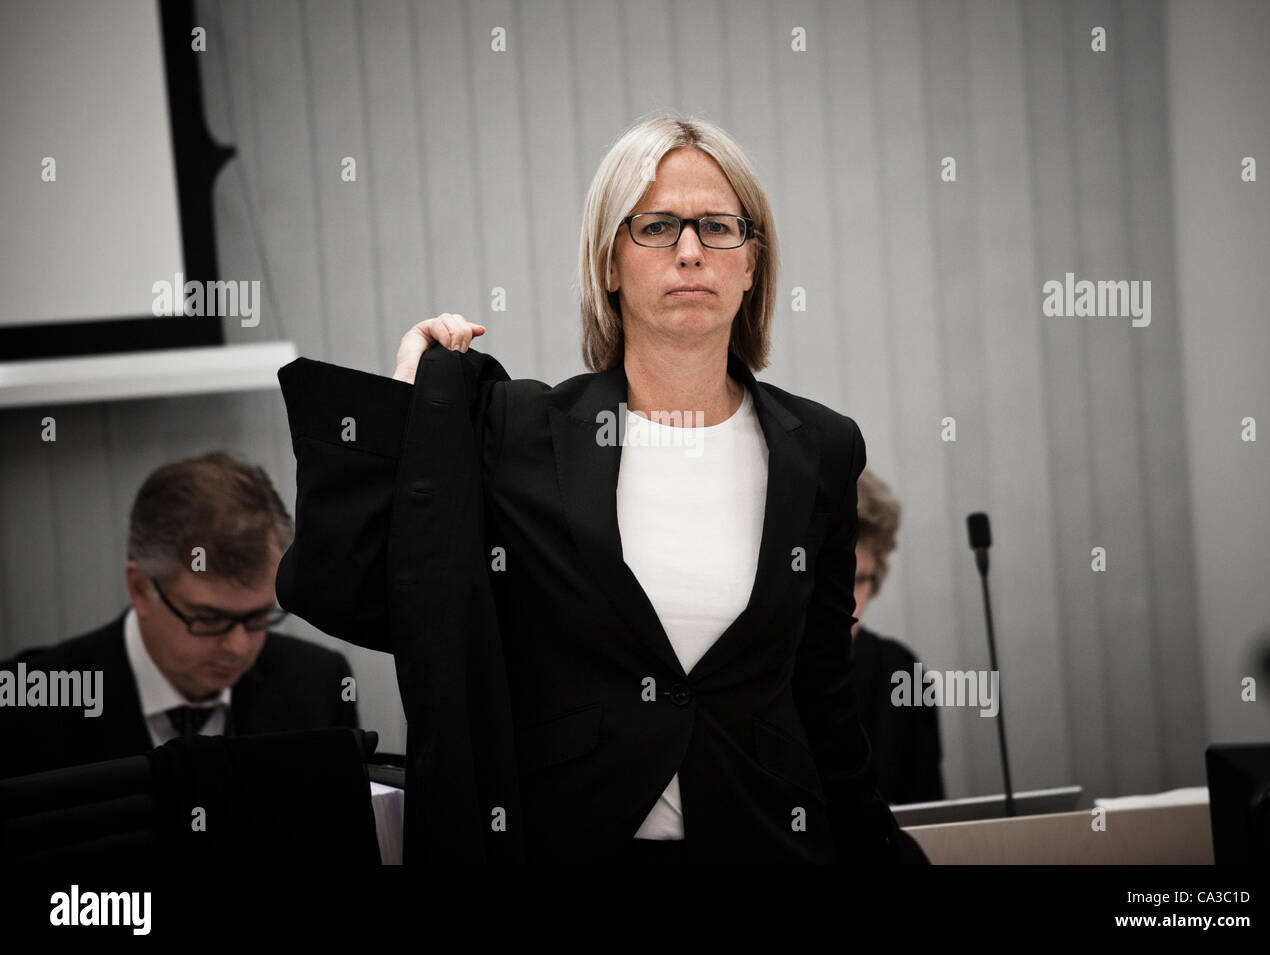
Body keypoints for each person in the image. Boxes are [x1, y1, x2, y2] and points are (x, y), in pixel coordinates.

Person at [276, 113, 913, 863]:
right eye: (655, 227)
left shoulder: (823, 448)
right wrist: (410, 410)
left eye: (718, 227)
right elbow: (355, 592)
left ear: (751, 262)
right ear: (609, 264)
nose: (689, 252)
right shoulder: (517, 432)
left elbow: (823, 699)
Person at [0, 452, 357, 780]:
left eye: (257, 616)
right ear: (140, 588)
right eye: (209, 618)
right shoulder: (33, 701)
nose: (237, 645)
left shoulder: (319, 687)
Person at [849, 467, 946, 805]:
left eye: (859, 580)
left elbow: (925, 816)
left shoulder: (899, 673)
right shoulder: (760, 675)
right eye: (830, 577)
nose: (846, 600)